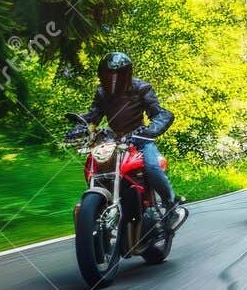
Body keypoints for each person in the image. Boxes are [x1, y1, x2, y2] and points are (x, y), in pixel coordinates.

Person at [69, 52, 188, 231]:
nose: (113, 78)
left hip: (140, 138)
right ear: (102, 74)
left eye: (117, 74)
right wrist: (80, 126)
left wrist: (151, 130)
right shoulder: (102, 93)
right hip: (113, 140)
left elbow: (160, 114)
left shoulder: (142, 88)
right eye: (109, 74)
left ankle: (171, 207)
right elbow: (93, 115)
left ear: (126, 74)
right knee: (93, 162)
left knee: (152, 166)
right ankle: (99, 207)